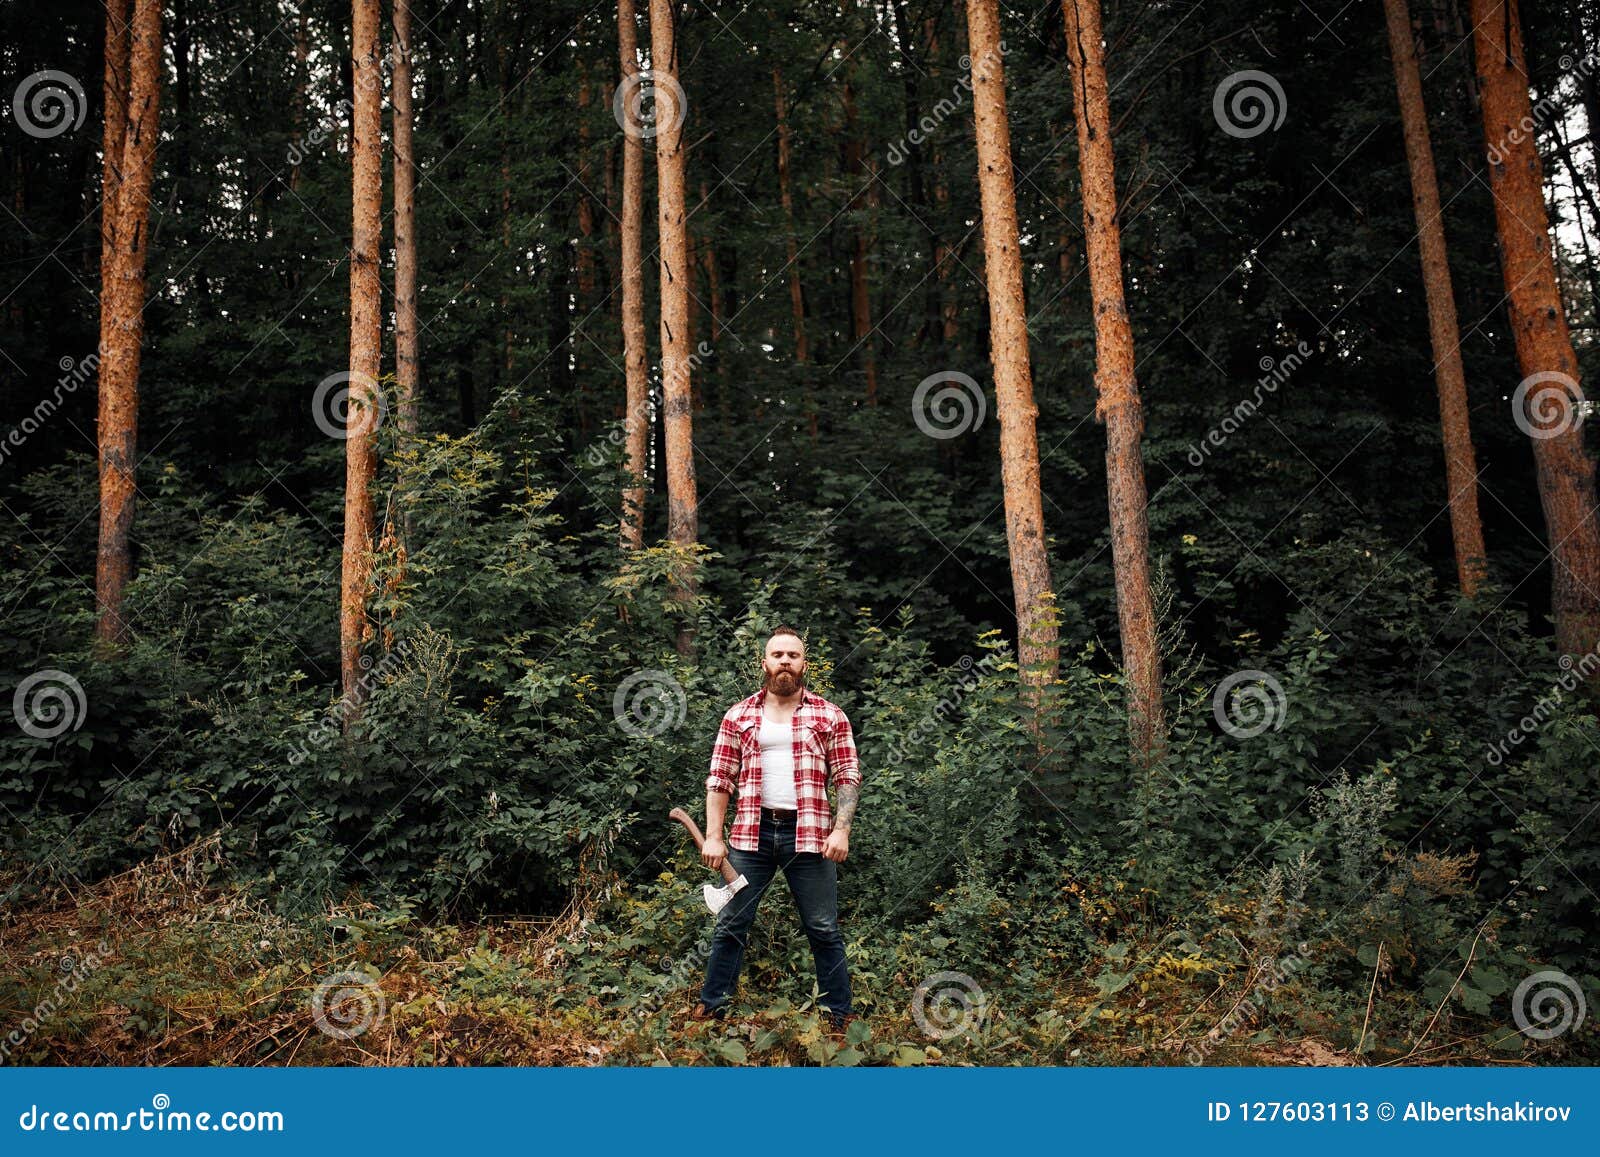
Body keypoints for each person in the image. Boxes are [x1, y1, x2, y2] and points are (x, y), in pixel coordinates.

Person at [691, 625, 862, 1032]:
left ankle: (841, 1015)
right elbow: (719, 780)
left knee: (823, 928)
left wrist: (842, 830)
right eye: (778, 654)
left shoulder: (829, 714)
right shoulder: (738, 715)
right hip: (752, 836)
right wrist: (715, 836)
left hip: (811, 837)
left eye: (794, 655)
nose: (785, 661)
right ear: (764, 662)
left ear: (804, 664)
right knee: (732, 924)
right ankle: (713, 1009)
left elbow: (847, 775)